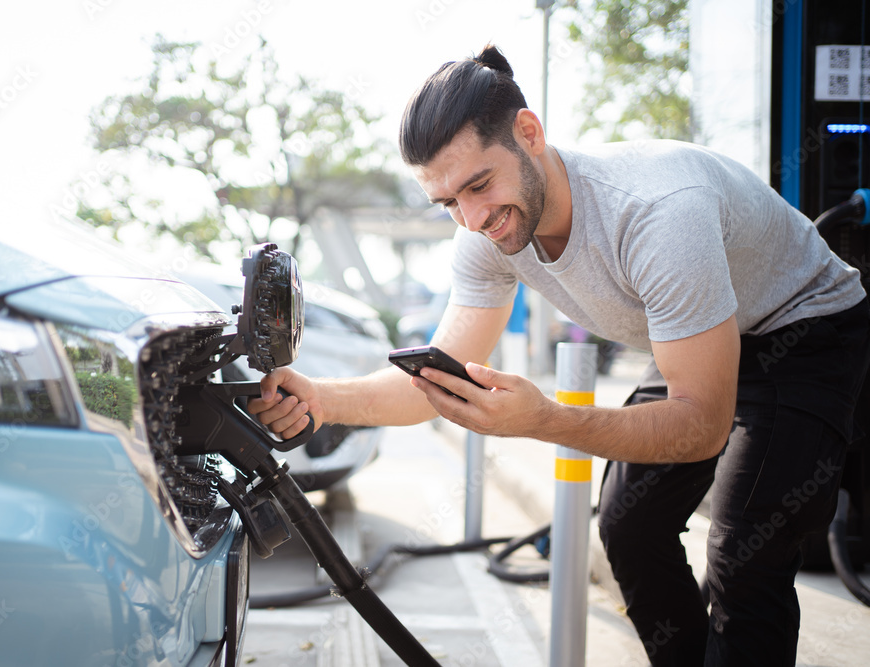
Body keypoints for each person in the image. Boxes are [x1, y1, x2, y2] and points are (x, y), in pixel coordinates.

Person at [249, 44, 870, 666]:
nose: (472, 218)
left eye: (479, 184)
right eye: (448, 203)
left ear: (529, 132)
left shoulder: (657, 213)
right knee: (629, 523)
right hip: (708, 330)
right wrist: (323, 399)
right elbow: (428, 384)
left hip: (806, 326)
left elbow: (701, 426)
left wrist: (544, 420)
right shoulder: (485, 234)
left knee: (747, 552)